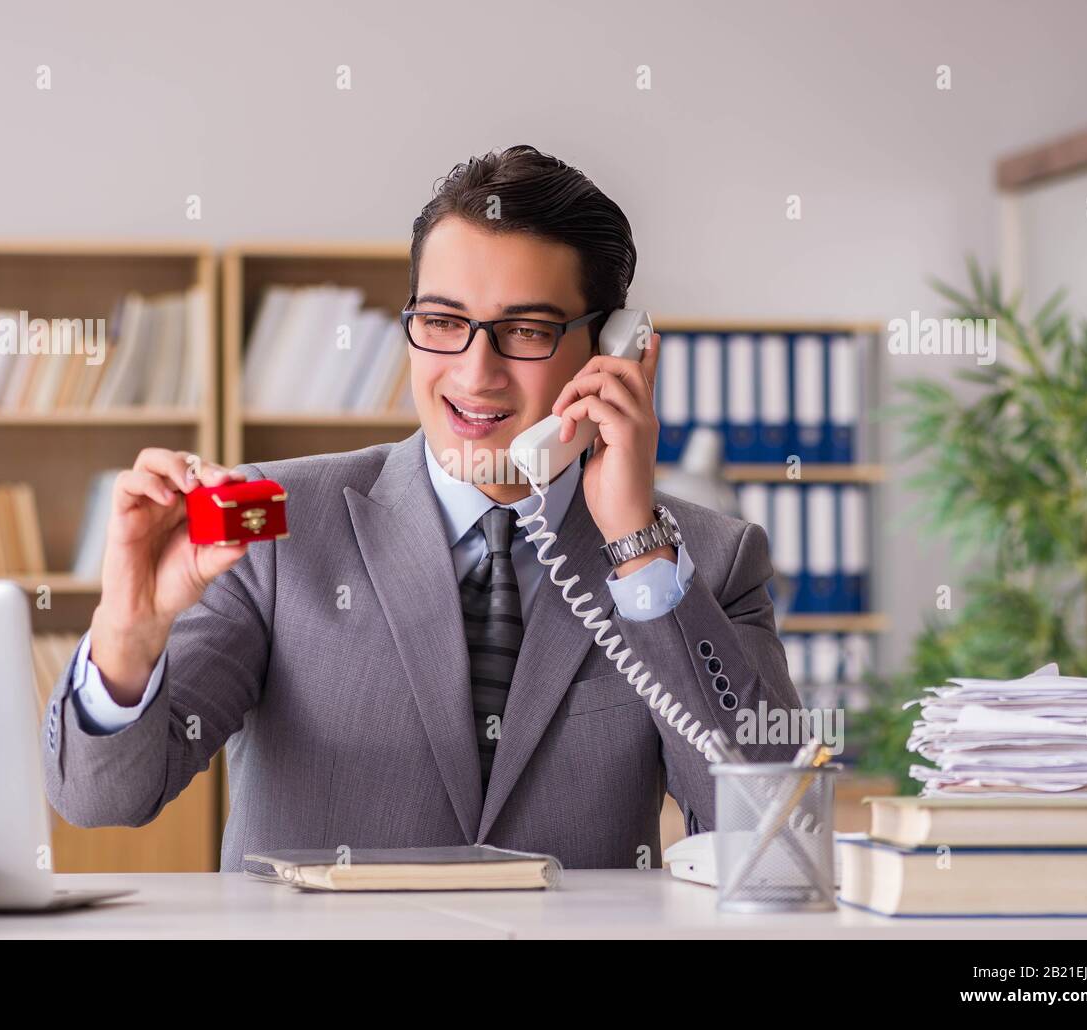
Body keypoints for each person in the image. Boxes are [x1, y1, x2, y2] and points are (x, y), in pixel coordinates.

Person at [42, 145, 802, 870]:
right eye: (442, 323)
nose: (476, 374)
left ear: (614, 351)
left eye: (526, 331)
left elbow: (775, 832)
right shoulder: (274, 522)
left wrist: (638, 548)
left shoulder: (706, 558)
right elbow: (103, 798)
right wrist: (127, 636)